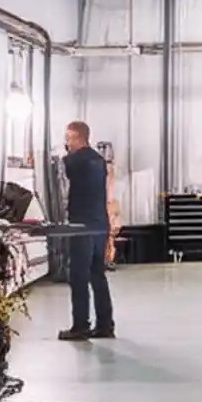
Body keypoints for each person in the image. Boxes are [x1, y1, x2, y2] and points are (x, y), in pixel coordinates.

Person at [58, 121, 115, 341]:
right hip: (101, 223)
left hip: (81, 226)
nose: (67, 142)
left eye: (69, 138)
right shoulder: (99, 161)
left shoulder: (74, 160)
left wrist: (66, 154)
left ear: (77, 137)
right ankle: (105, 325)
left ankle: (80, 325)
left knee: (78, 276)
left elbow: (67, 169)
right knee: (97, 275)